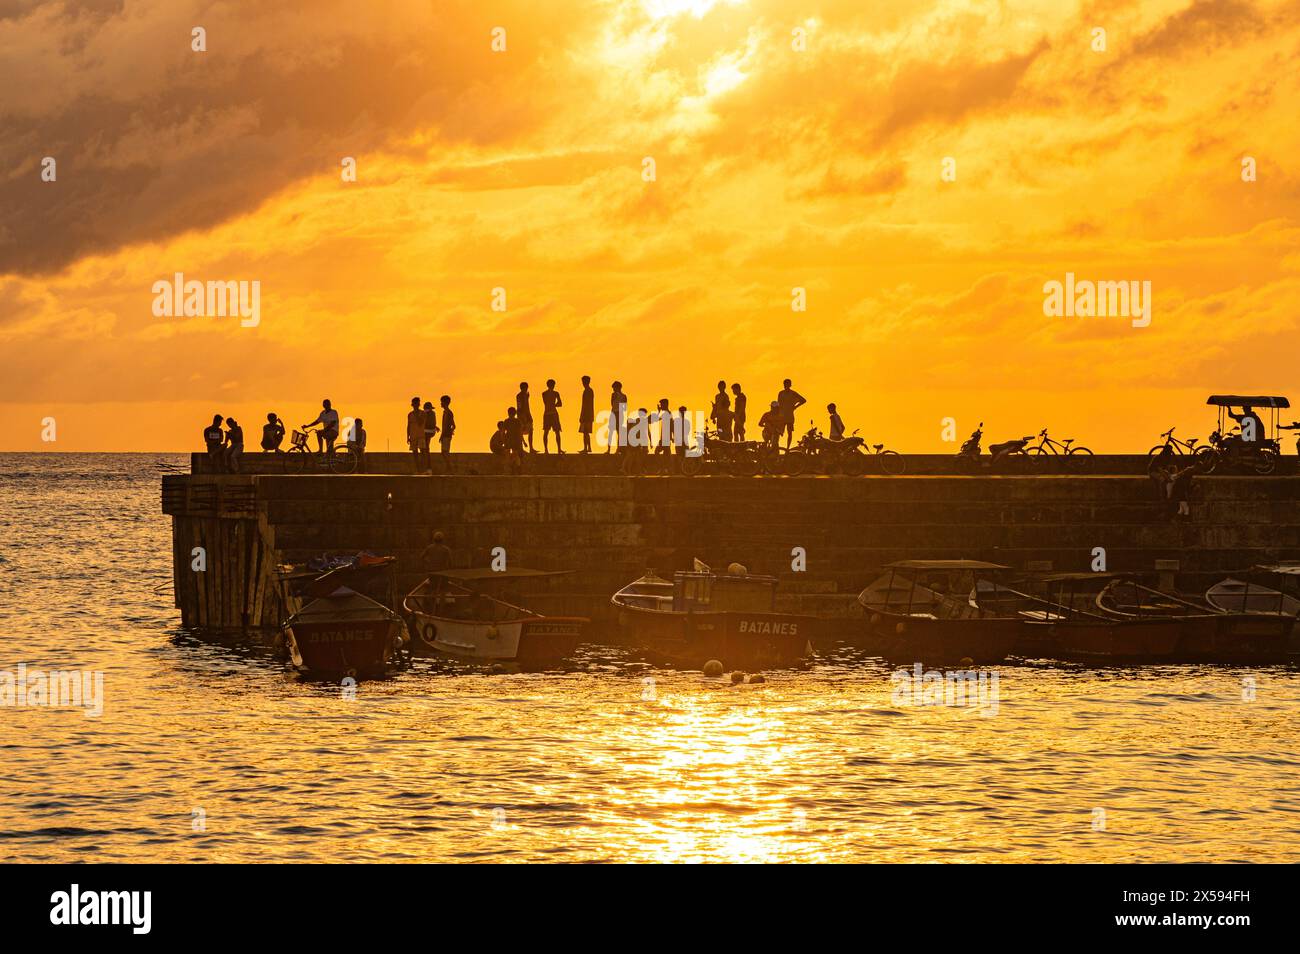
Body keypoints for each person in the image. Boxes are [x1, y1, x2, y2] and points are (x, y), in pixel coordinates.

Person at [776, 379, 806, 449]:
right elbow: (778, 404)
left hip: (789, 416)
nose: (786, 386)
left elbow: (803, 400)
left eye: (787, 384)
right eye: (785, 384)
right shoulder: (781, 393)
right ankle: (776, 447)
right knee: (778, 432)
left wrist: (795, 407)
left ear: (790, 385)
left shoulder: (793, 393)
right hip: (781, 416)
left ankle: (787, 448)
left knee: (789, 433)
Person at [542, 379, 564, 454]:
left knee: (548, 432)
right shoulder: (554, 393)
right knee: (552, 432)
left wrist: (553, 404)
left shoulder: (545, 393)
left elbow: (559, 404)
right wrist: (554, 405)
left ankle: (551, 449)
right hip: (552, 413)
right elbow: (560, 403)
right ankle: (555, 449)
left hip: (549, 413)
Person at [407, 397, 426, 473]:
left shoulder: (423, 413)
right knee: (415, 454)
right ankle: (418, 470)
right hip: (413, 436)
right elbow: (408, 425)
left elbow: (420, 423)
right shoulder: (410, 414)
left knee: (422, 453)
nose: (416, 405)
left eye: (417, 403)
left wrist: (417, 414)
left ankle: (423, 469)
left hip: (421, 436)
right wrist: (408, 436)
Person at [607, 381, 627, 453]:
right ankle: (612, 449)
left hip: (617, 413)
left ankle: (615, 449)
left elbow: (612, 404)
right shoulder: (623, 396)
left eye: (614, 387)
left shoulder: (616, 395)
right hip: (617, 413)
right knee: (615, 432)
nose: (613, 389)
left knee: (615, 432)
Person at [503, 406, 524, 472]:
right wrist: (522, 442)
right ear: (515, 413)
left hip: (508, 440)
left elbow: (503, 432)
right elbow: (520, 432)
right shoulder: (517, 421)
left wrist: (504, 441)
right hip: (516, 440)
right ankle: (517, 467)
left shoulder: (506, 421)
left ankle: (510, 467)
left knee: (508, 455)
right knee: (516, 455)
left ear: (508, 413)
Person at [516, 382, 535, 453]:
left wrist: (529, 416)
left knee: (531, 431)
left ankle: (531, 448)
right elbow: (519, 407)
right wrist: (522, 417)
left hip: (527, 415)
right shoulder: (519, 396)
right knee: (520, 432)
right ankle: (521, 448)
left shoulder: (525, 395)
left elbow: (527, 407)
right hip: (522, 416)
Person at [579, 375, 595, 453]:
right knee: (586, 432)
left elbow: (586, 405)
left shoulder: (588, 391)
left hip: (586, 415)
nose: (583, 383)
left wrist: (582, 416)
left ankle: (586, 448)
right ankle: (588, 448)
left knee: (585, 432)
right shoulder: (589, 390)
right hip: (588, 415)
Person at [439, 395, 455, 470]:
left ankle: (449, 466)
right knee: (444, 452)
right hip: (446, 434)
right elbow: (453, 425)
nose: (441, 403)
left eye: (442, 402)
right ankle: (449, 466)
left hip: (446, 435)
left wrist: (443, 435)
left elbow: (450, 425)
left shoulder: (448, 413)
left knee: (444, 452)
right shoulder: (446, 412)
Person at [421, 401, 439, 468]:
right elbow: (432, 423)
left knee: (425, 448)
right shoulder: (433, 413)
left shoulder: (425, 413)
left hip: (426, 432)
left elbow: (426, 423)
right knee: (426, 447)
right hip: (431, 432)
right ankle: (428, 465)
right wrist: (435, 427)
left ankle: (428, 466)